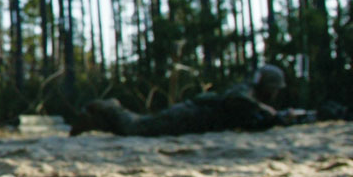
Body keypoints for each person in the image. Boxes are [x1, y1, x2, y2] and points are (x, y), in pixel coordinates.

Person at [72, 63, 310, 137]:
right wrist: (267, 111)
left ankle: (96, 122)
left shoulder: (251, 97)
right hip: (190, 116)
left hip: (193, 121)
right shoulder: (246, 92)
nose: (275, 93)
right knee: (137, 127)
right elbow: (235, 100)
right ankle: (110, 108)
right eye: (273, 88)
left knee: (136, 129)